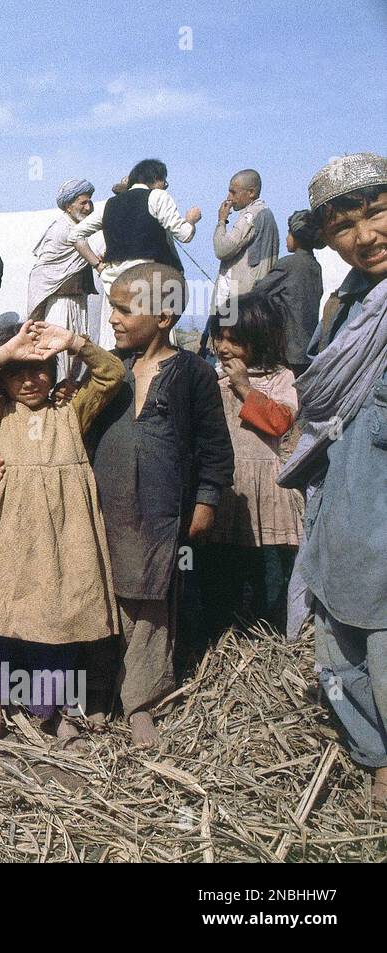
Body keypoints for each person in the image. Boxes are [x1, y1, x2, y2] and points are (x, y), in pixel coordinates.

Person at [0, 321, 125, 744]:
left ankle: (62, 713)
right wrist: (5, 351)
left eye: (40, 369)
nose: (29, 381)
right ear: (4, 377)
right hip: (10, 533)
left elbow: (112, 374)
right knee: (0, 620)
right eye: (16, 372)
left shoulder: (71, 410)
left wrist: (74, 343)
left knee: (61, 622)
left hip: (65, 538)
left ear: (56, 370)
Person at [278, 152, 387, 810]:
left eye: (376, 212)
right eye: (344, 226)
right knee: (336, 645)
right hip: (344, 498)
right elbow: (322, 402)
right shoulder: (343, 303)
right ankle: (374, 753)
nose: (365, 235)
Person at [87, 263, 235, 748]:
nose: (113, 318)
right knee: (104, 596)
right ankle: (99, 693)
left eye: (125, 309)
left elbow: (214, 446)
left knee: (152, 603)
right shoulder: (109, 369)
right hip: (105, 506)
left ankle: (141, 703)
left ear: (166, 316)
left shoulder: (193, 373)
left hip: (160, 510)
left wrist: (207, 499)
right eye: (111, 307)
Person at [196, 295, 303, 638]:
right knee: (222, 570)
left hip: (268, 492)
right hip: (229, 491)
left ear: (260, 339)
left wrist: (243, 387)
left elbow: (280, 422)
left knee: (269, 575)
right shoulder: (213, 380)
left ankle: (269, 638)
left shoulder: (281, 379)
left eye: (235, 340)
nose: (224, 348)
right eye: (219, 337)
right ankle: (222, 637)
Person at [69, 158, 201, 349]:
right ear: (157, 178)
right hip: (148, 281)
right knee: (153, 340)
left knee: (118, 336)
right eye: (165, 182)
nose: (165, 187)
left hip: (116, 282)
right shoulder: (157, 197)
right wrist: (191, 220)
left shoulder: (109, 204)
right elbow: (185, 235)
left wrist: (97, 265)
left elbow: (75, 235)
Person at [26, 178, 100, 377]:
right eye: (83, 202)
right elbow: (50, 267)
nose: (88, 207)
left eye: (90, 202)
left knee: (79, 350)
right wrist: (98, 263)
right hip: (60, 303)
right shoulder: (65, 228)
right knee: (60, 354)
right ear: (68, 206)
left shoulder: (76, 227)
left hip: (77, 301)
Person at [252, 209, 325, 375]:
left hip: (288, 352)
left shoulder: (288, 264)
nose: (286, 238)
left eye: (289, 233)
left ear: (297, 237)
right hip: (307, 349)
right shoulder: (315, 266)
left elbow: (257, 293)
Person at [212, 169, 280, 312]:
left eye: (233, 192)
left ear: (251, 193)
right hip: (255, 298)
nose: (229, 198)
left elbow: (222, 249)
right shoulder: (266, 214)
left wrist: (222, 221)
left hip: (242, 301)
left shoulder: (252, 214)